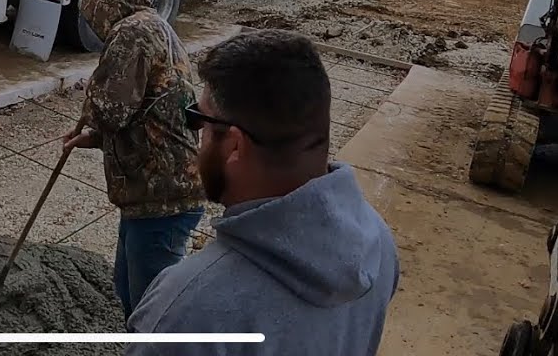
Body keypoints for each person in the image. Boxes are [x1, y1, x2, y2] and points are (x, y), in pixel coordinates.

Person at [125, 29, 400, 355]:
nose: (196, 139)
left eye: (198, 120)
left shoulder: (186, 312)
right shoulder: (378, 242)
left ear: (236, 145)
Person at [61, 0, 205, 319]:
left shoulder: (133, 32)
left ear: (107, 3)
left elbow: (111, 107)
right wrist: (90, 136)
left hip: (164, 197)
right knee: (127, 293)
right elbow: (144, 110)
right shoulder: (156, 27)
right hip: (153, 191)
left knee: (152, 310)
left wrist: (90, 114)